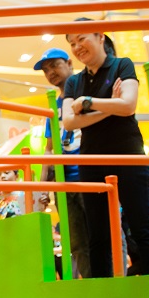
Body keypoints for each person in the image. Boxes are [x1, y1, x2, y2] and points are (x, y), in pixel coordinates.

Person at [62, 20, 149, 278]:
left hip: (127, 155)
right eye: (72, 43)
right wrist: (110, 105)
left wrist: (87, 103)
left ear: (100, 36)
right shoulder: (74, 81)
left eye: (81, 39)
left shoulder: (123, 65)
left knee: (143, 229)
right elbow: (69, 122)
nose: (77, 47)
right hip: (92, 161)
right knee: (98, 236)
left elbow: (129, 105)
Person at [34, 48, 91, 279]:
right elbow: (49, 149)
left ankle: (116, 286)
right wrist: (42, 185)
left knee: (104, 235)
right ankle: (93, 289)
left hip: (90, 174)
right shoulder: (53, 106)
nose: (50, 73)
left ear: (69, 63)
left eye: (54, 66)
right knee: (76, 242)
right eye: (46, 70)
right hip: (64, 181)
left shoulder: (87, 91)